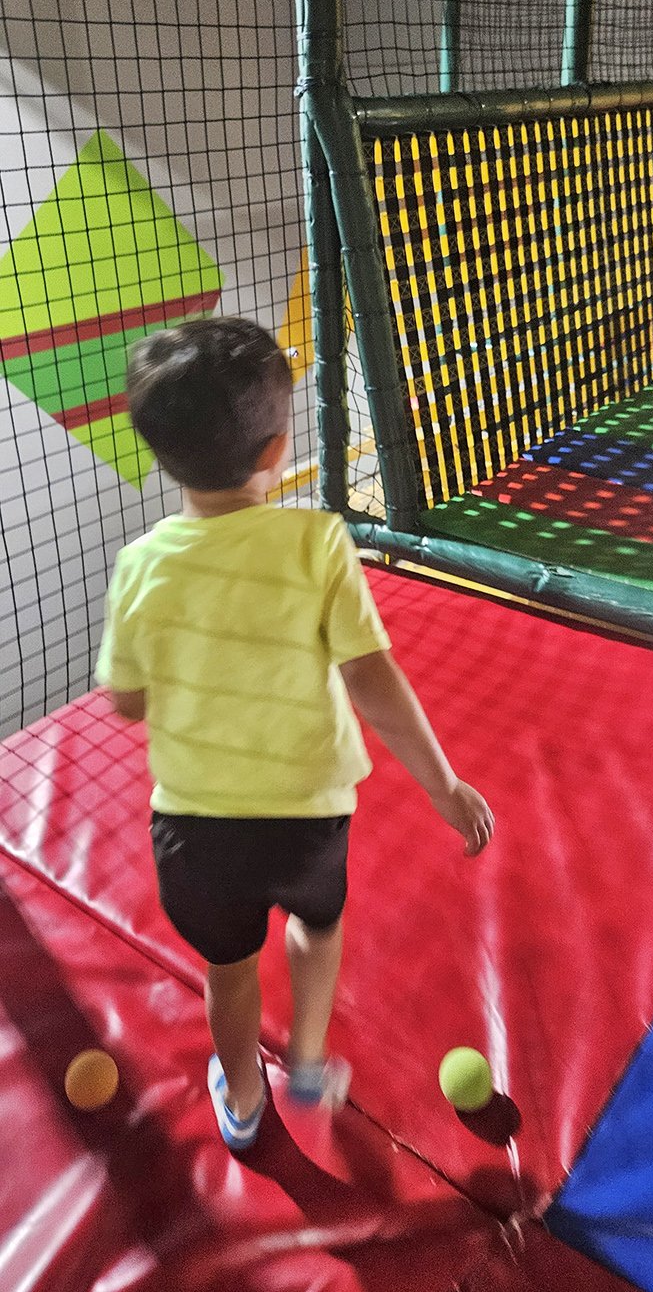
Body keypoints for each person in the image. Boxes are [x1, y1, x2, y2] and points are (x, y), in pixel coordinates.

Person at [97, 317, 494, 1152]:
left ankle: (242, 1095)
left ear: (161, 455)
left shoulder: (139, 566)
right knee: (317, 924)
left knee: (229, 967)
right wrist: (443, 783)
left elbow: (127, 702)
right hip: (308, 818)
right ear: (277, 447)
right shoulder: (318, 542)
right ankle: (307, 1060)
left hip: (195, 831)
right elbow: (371, 678)